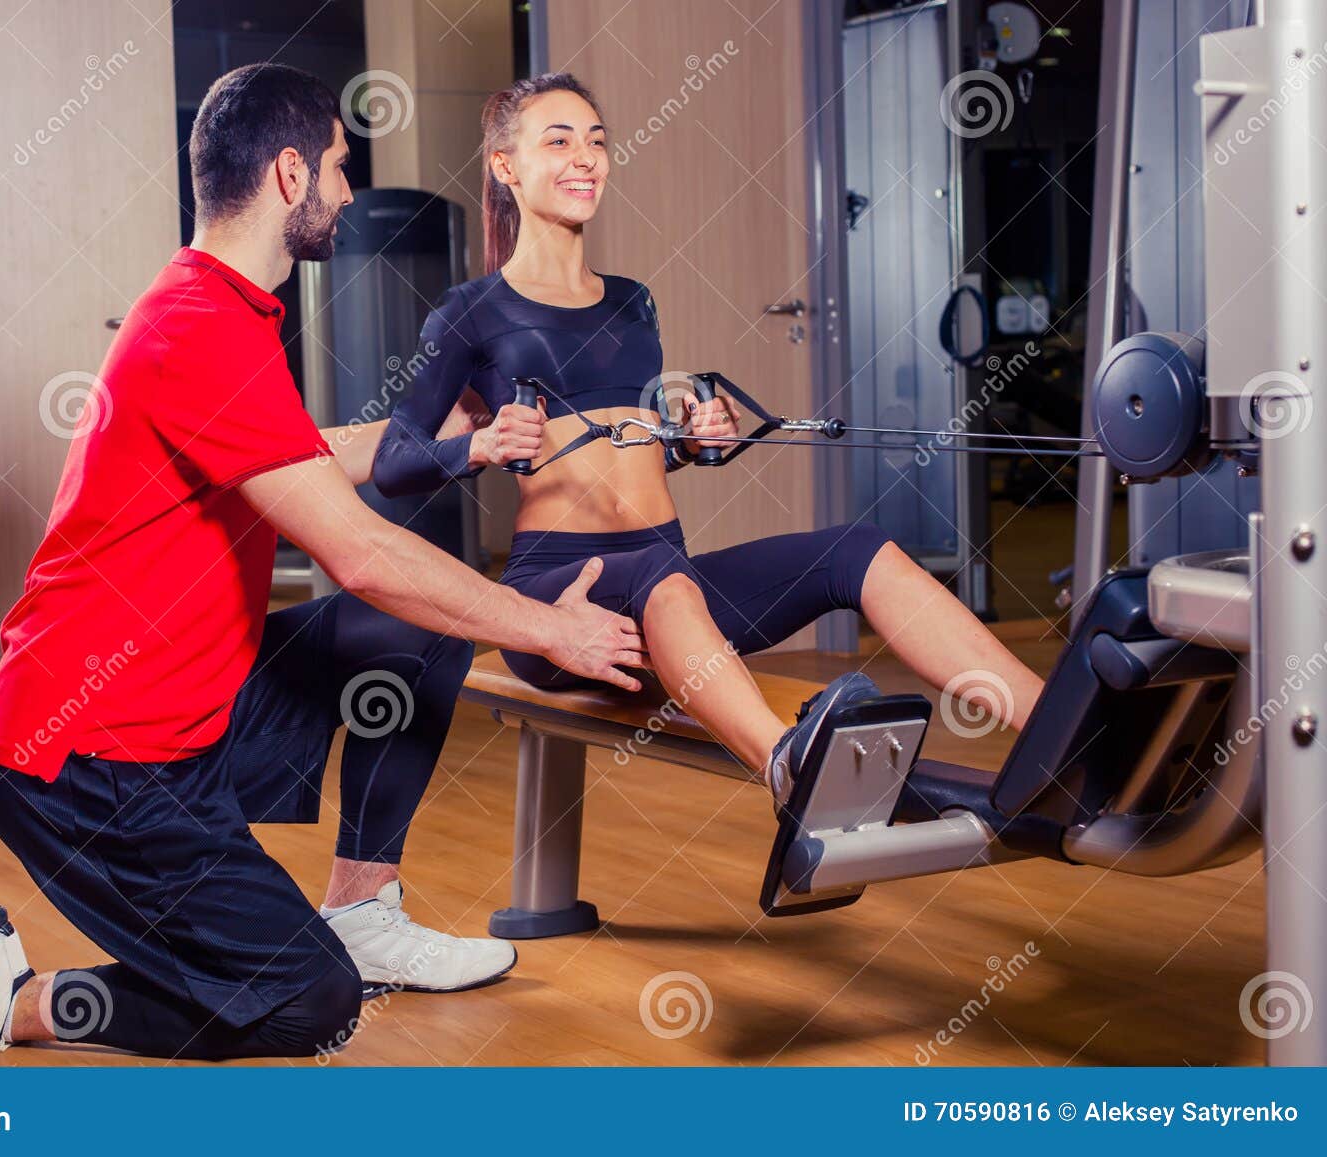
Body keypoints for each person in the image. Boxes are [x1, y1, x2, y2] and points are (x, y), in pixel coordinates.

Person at [0, 64, 643, 1062]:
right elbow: (356, 551)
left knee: (407, 637)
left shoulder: (219, 307)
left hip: (187, 720)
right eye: (342, 170)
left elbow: (298, 454)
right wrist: (547, 626)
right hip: (87, 761)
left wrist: (465, 434)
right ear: (292, 174)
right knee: (305, 1002)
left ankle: (357, 906)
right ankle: (9, 995)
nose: (348, 195)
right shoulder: (200, 327)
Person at [372, 73, 1047, 812]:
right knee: (660, 578)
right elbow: (394, 461)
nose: (586, 158)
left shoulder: (633, 300)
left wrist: (691, 442)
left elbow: (627, 449)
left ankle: (1062, 731)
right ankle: (794, 773)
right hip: (559, 598)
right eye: (559, 141)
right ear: (507, 166)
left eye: (597, 141)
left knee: (857, 550)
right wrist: (478, 447)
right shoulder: (470, 311)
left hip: (669, 583)